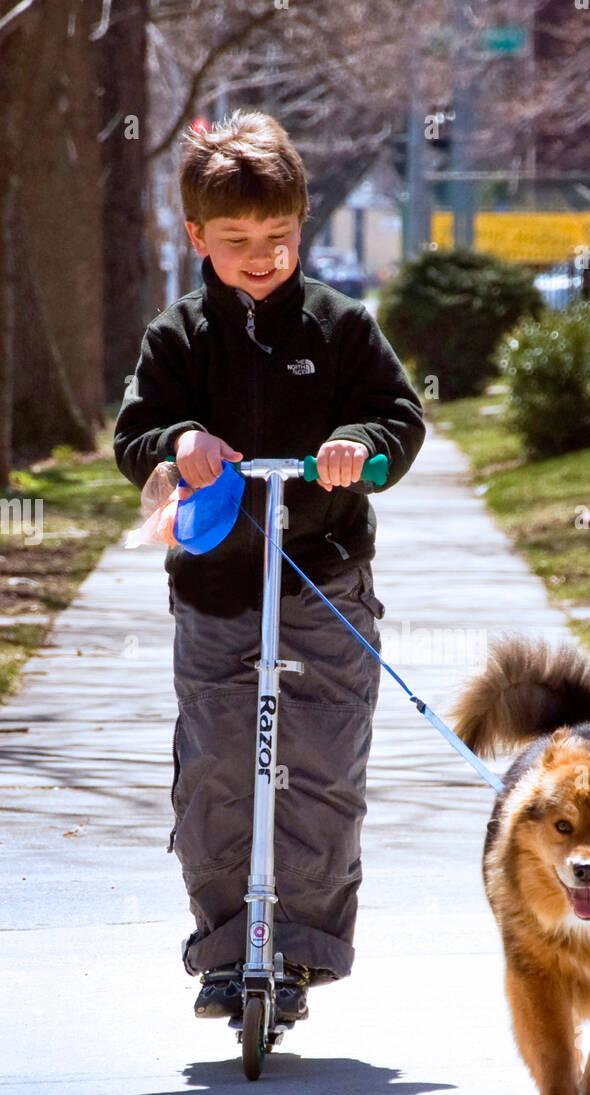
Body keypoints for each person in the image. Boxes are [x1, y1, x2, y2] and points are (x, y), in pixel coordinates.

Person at [114, 110, 425, 1023]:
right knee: (218, 771)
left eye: (279, 238)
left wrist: (355, 447)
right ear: (196, 236)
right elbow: (135, 437)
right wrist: (180, 442)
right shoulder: (177, 337)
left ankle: (301, 949)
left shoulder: (340, 326)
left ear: (301, 229)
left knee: (322, 767)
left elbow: (398, 419)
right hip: (216, 590)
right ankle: (225, 952)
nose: (260, 256)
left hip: (322, 580)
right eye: (237, 240)